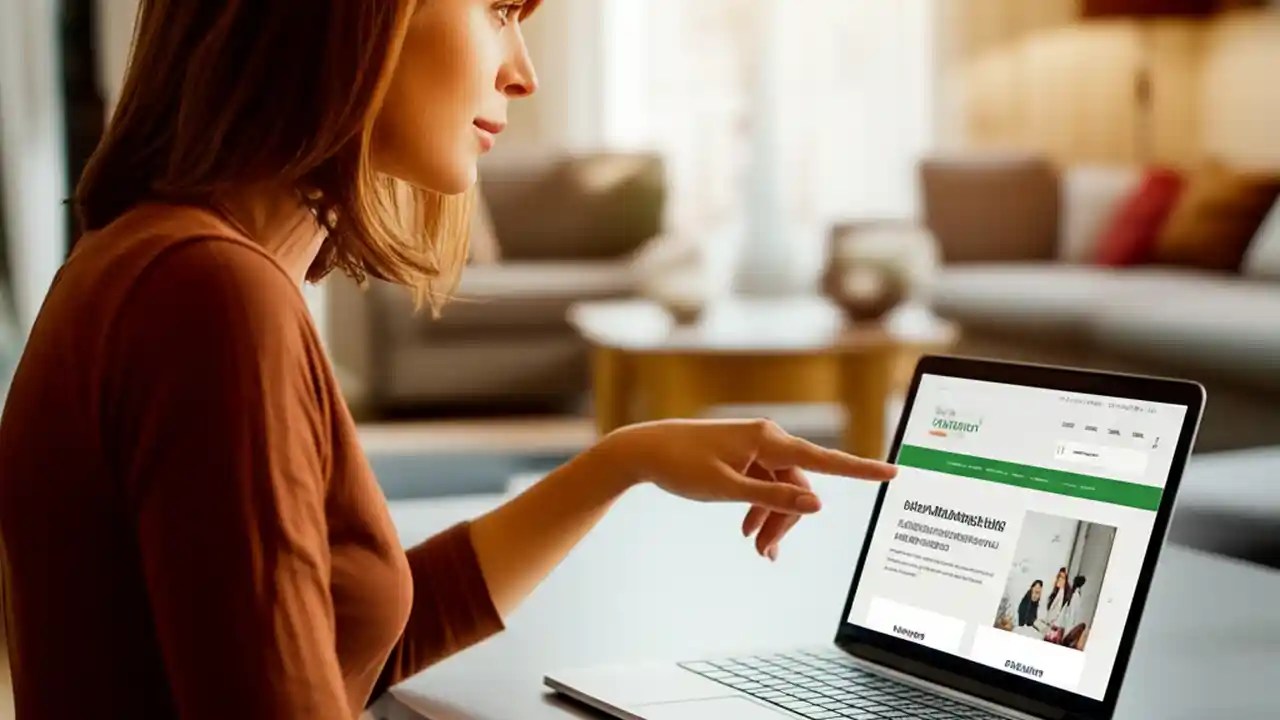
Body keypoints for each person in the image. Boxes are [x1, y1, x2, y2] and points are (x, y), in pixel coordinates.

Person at [0, 1, 897, 718]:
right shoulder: (211, 299)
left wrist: (621, 460)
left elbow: (357, 646)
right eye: (500, 10)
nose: (524, 72)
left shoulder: (147, 263)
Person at [1035, 567, 1070, 640]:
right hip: (1048, 625)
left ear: (1066, 581)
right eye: (1059, 577)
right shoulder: (1057, 593)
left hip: (1052, 628)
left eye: (1062, 578)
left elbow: (1056, 614)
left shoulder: (1063, 595)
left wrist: (1047, 623)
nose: (1059, 579)